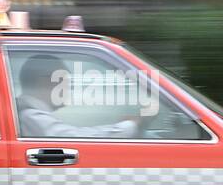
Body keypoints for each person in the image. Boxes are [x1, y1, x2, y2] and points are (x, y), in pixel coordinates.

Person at [15, 54, 143, 138]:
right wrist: (128, 126)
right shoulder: (30, 115)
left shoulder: (26, 113)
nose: (68, 88)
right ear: (46, 82)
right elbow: (73, 138)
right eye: (65, 81)